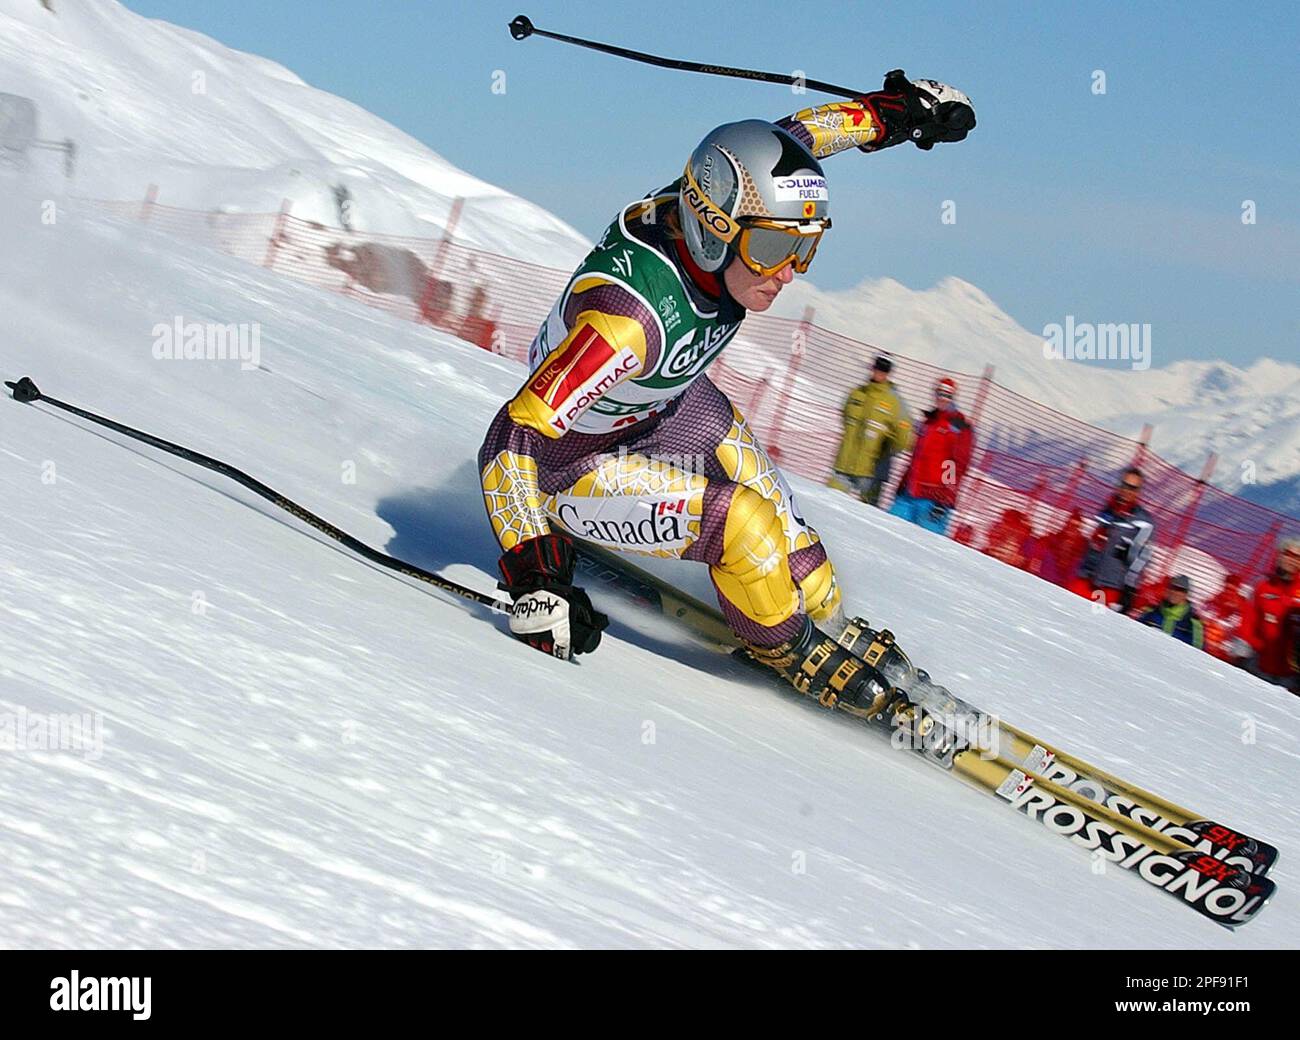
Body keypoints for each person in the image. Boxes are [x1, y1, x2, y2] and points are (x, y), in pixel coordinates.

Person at [477, 72, 975, 707]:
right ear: (714, 228)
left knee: (805, 564)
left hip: (662, 406)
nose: (789, 274)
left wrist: (898, 113)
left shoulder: (721, 206)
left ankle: (813, 615)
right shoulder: (629, 326)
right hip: (572, 462)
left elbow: (799, 139)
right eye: (771, 248)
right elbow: (509, 440)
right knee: (747, 527)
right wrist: (535, 577)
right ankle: (784, 645)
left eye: (807, 249)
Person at [888, 376, 974, 534]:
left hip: (933, 501)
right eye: (940, 393)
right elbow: (916, 458)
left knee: (923, 549)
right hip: (909, 494)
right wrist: (902, 484)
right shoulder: (928, 422)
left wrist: (944, 500)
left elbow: (956, 465)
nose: (943, 398)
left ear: (953, 398)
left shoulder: (959, 425)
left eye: (948, 395)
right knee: (887, 532)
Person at [828, 355, 913, 506]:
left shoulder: (895, 402)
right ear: (872, 367)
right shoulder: (856, 393)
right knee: (828, 506)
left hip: (871, 473)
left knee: (863, 520)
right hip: (844, 465)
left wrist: (887, 451)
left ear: (889, 372)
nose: (880, 372)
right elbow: (845, 417)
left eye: (884, 369)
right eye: (878, 367)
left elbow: (905, 437)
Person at [1069, 467, 1156, 612]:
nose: (1127, 491)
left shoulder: (1143, 521)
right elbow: (1094, 544)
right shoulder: (1108, 510)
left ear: (1138, 491)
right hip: (1087, 579)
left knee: (1093, 625)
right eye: (1125, 485)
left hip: (1111, 588)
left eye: (1133, 488)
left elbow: (1142, 559)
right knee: (1066, 614)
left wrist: (1129, 590)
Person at [1240, 538, 1300, 691]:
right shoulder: (1263, 585)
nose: (1291, 560)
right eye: (1287, 554)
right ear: (1279, 555)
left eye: (1297, 557)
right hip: (1259, 667)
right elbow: (1247, 623)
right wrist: (1256, 648)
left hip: (1292, 678)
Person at [1138, 574, 1205, 649]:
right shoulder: (1150, 612)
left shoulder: (1194, 623)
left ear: (1186, 594)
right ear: (1167, 590)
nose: (1175, 592)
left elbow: (1198, 652)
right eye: (1173, 587)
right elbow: (1135, 633)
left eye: (1181, 590)